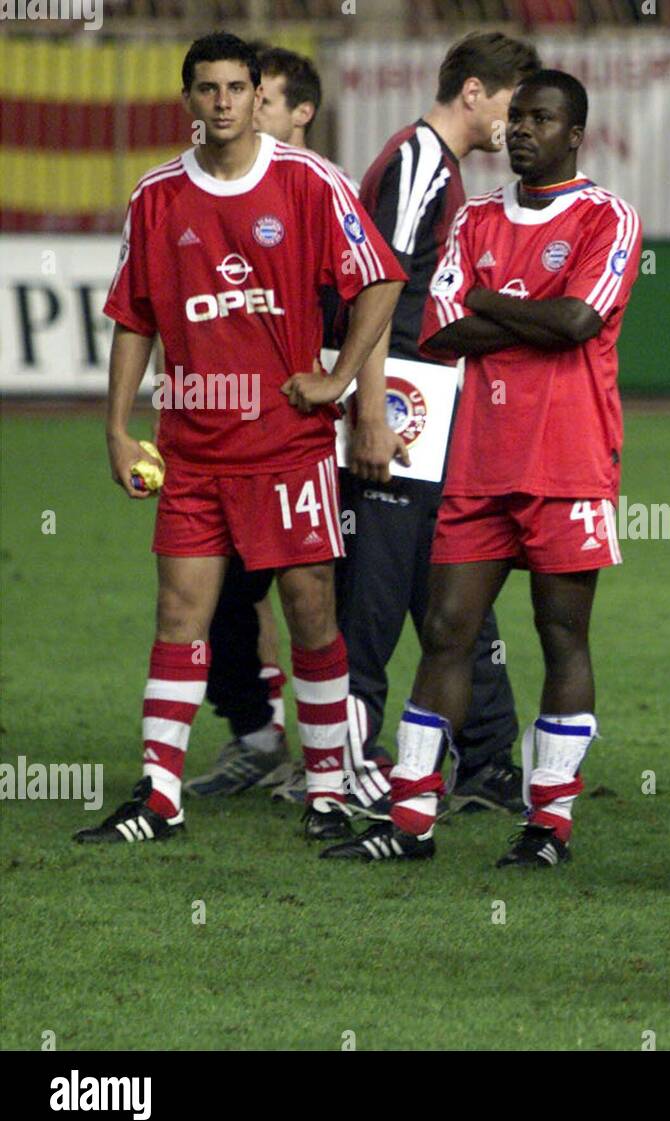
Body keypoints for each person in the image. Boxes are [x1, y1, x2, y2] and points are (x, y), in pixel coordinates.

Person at [75, 32, 404, 845]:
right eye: (206, 89)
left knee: (311, 613)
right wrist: (117, 429)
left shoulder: (308, 181)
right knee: (179, 614)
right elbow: (132, 318)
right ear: (188, 100)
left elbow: (384, 279)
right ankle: (159, 797)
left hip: (285, 449)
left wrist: (339, 381)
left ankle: (328, 788)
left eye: (235, 88)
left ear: (259, 96)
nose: (221, 102)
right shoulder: (156, 196)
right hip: (189, 451)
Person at [321, 70, 642, 868]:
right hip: (476, 458)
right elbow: (436, 330)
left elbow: (578, 322)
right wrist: (524, 311)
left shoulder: (609, 217)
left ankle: (548, 827)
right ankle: (410, 820)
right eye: (519, 116)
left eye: (544, 118)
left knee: (561, 633)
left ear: (576, 134)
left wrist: (492, 302)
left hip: (568, 461)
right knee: (444, 631)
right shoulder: (475, 218)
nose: (522, 129)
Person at [329, 32, 541, 830]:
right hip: (406, 401)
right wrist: (373, 411)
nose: (513, 125)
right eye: (512, 105)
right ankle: (353, 759)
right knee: (380, 591)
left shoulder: (433, 163)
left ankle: (485, 757)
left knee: (447, 577)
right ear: (476, 91)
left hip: (430, 401)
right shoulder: (419, 159)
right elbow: (377, 285)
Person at [185, 45, 337, 804]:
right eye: (217, 92)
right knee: (223, 592)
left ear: (294, 109)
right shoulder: (205, 197)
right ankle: (258, 732)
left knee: (344, 600)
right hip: (237, 443)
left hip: (327, 438)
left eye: (254, 95)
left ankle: (348, 754)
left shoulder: (319, 193)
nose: (235, 109)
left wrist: (359, 404)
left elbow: (375, 308)